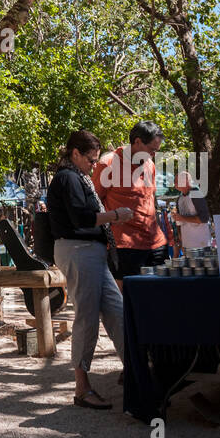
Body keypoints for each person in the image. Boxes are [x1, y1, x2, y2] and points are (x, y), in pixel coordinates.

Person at [47, 129, 133, 410]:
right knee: (86, 319)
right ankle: (82, 388)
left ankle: (135, 372)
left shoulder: (78, 177)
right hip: (78, 250)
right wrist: (115, 216)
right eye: (91, 160)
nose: (94, 165)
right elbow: (81, 217)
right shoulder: (67, 177)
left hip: (91, 253)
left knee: (118, 312)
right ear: (75, 154)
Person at [93, 120, 167, 281]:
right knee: (126, 300)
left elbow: (150, 201)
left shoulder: (150, 165)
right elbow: (94, 203)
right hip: (124, 245)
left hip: (156, 243)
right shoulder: (108, 163)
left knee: (159, 297)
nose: (154, 155)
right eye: (152, 150)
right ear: (138, 142)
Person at [172, 171, 211, 252]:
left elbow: (204, 219)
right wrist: (181, 239)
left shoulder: (196, 194)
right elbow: (179, 221)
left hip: (200, 244)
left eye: (176, 181)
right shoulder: (180, 198)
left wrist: (182, 218)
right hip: (187, 244)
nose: (174, 184)